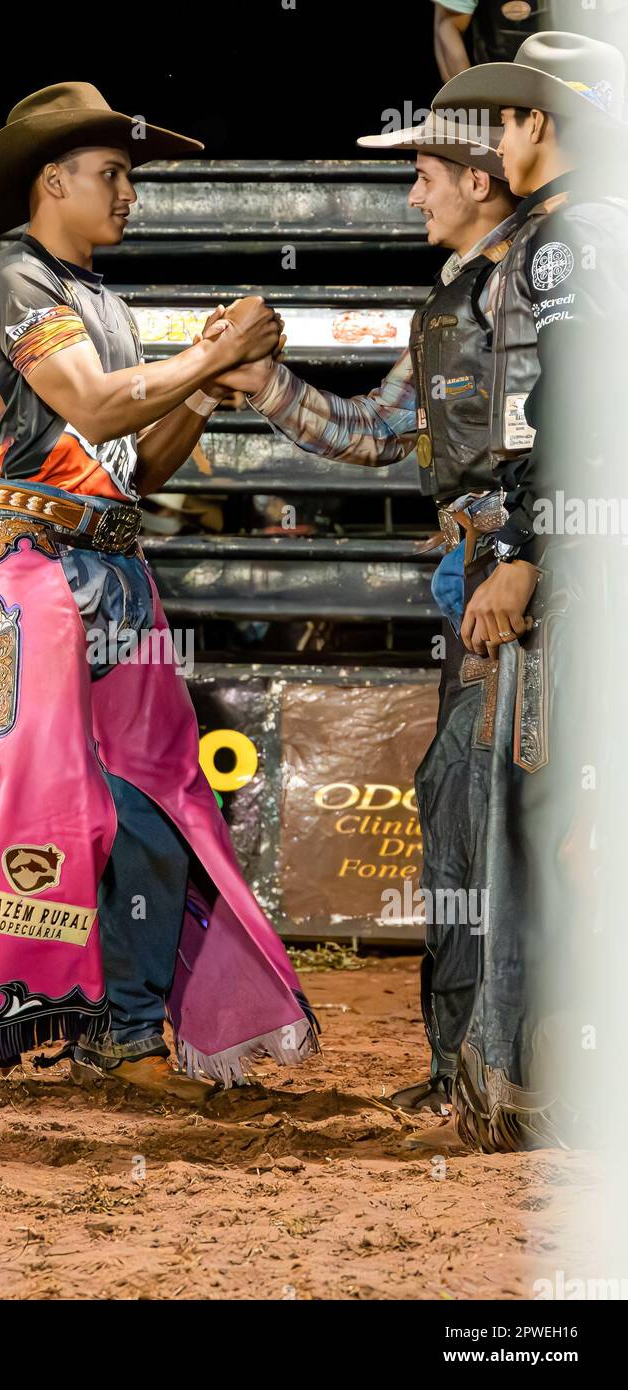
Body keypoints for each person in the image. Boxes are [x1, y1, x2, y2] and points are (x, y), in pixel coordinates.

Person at [0, 82, 319, 1102]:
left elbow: (136, 464)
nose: (128, 194)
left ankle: (123, 1025)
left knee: (149, 798)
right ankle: (57, 1014)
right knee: (45, 800)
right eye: (112, 175)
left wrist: (208, 383)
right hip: (33, 579)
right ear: (50, 180)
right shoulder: (13, 281)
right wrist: (209, 354)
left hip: (104, 569)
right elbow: (98, 401)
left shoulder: (100, 302)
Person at [207, 111, 528, 1114]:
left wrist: (517, 550)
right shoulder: (464, 295)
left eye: (428, 175)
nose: (415, 194)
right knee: (465, 812)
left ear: (479, 180)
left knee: (482, 815)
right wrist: (262, 379)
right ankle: (473, 1071)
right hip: (480, 573)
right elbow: (381, 428)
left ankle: (487, 1075)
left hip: (507, 576)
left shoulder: (520, 284)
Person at [431, 29, 628, 1148]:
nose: (498, 136)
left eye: (507, 118)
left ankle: (533, 1074)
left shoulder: (566, 245)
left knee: (546, 815)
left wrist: (525, 553)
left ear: (542, 123)